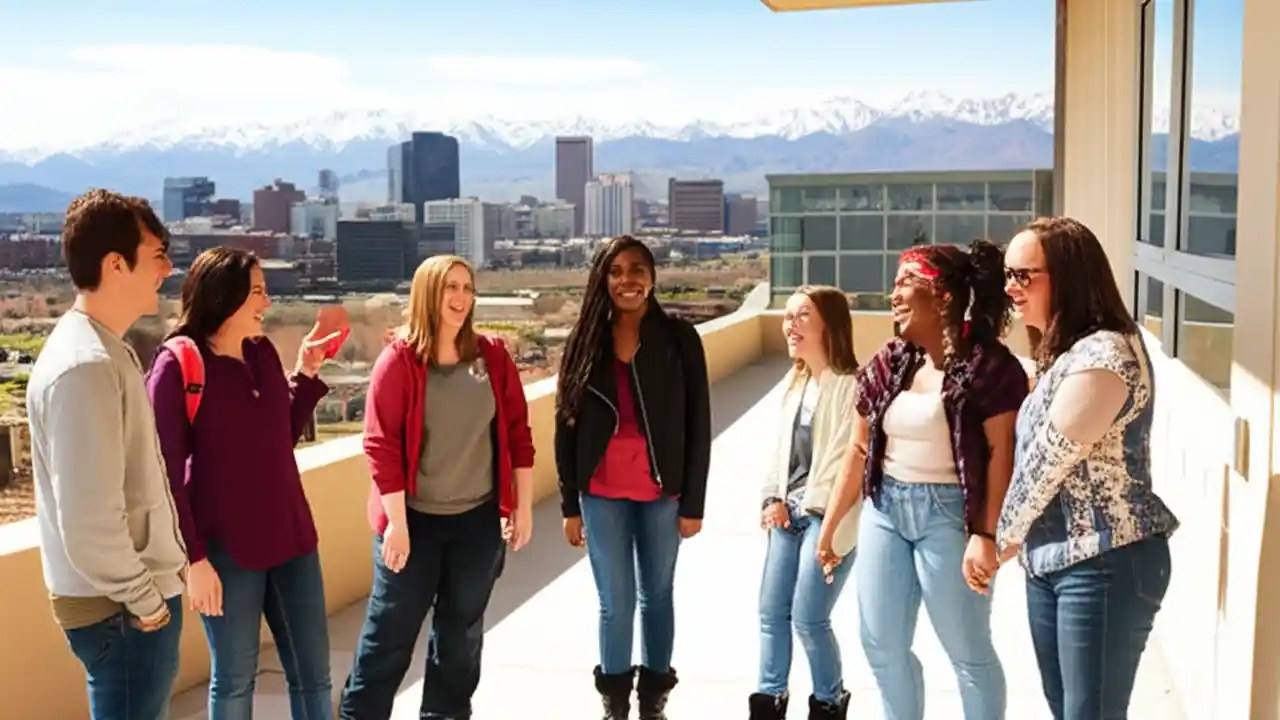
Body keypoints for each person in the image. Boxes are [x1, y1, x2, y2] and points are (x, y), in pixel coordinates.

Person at [818, 240, 1028, 720]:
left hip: (951, 517)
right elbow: (858, 449)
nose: (893, 295)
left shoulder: (991, 368)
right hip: (885, 510)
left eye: (904, 283)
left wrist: (985, 534)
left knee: (967, 649)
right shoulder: (889, 361)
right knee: (881, 642)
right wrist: (831, 528)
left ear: (943, 296)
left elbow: (1001, 455)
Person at [146, 247, 344, 719]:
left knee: (314, 678)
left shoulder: (261, 352)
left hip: (293, 541)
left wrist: (307, 373)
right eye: (257, 291)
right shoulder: (178, 366)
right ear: (224, 294)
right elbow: (165, 475)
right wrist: (194, 560)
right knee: (235, 682)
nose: (267, 302)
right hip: (226, 552)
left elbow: (280, 439)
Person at [996, 217, 1179, 720]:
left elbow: (1048, 460)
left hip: (1105, 563)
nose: (1010, 287)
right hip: (1052, 561)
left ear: (1068, 277)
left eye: (1023, 275)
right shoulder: (1063, 352)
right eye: (1006, 274)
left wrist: (1000, 539)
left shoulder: (1105, 355)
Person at [340, 255, 535, 720]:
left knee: (461, 637)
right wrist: (397, 526)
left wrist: (521, 507)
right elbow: (381, 445)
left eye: (468, 287)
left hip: (478, 523)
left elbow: (518, 432)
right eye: (450, 287)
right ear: (428, 292)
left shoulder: (492, 356)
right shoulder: (400, 360)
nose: (461, 297)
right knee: (389, 636)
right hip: (413, 524)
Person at [26, 189, 186, 720]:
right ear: (117, 263)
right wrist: (146, 601)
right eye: (158, 253)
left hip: (123, 606)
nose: (167, 268)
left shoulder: (99, 348)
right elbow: (90, 517)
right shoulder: (86, 365)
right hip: (121, 611)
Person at [554, 235, 711, 720]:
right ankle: (615, 704)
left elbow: (698, 423)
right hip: (600, 494)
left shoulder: (679, 339)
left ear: (653, 277)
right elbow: (565, 424)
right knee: (615, 603)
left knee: (657, 596)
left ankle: (654, 700)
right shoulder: (586, 340)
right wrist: (568, 504)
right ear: (603, 278)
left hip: (662, 493)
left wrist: (693, 503)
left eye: (637, 269)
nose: (628, 280)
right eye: (617, 271)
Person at [750, 286, 860, 720]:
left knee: (809, 619)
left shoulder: (852, 386)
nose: (790, 325)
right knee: (770, 613)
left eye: (803, 316)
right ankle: (768, 701)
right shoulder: (794, 383)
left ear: (829, 326)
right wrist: (772, 498)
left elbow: (839, 463)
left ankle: (830, 703)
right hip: (787, 512)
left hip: (826, 516)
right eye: (788, 316)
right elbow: (779, 451)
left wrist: (821, 524)